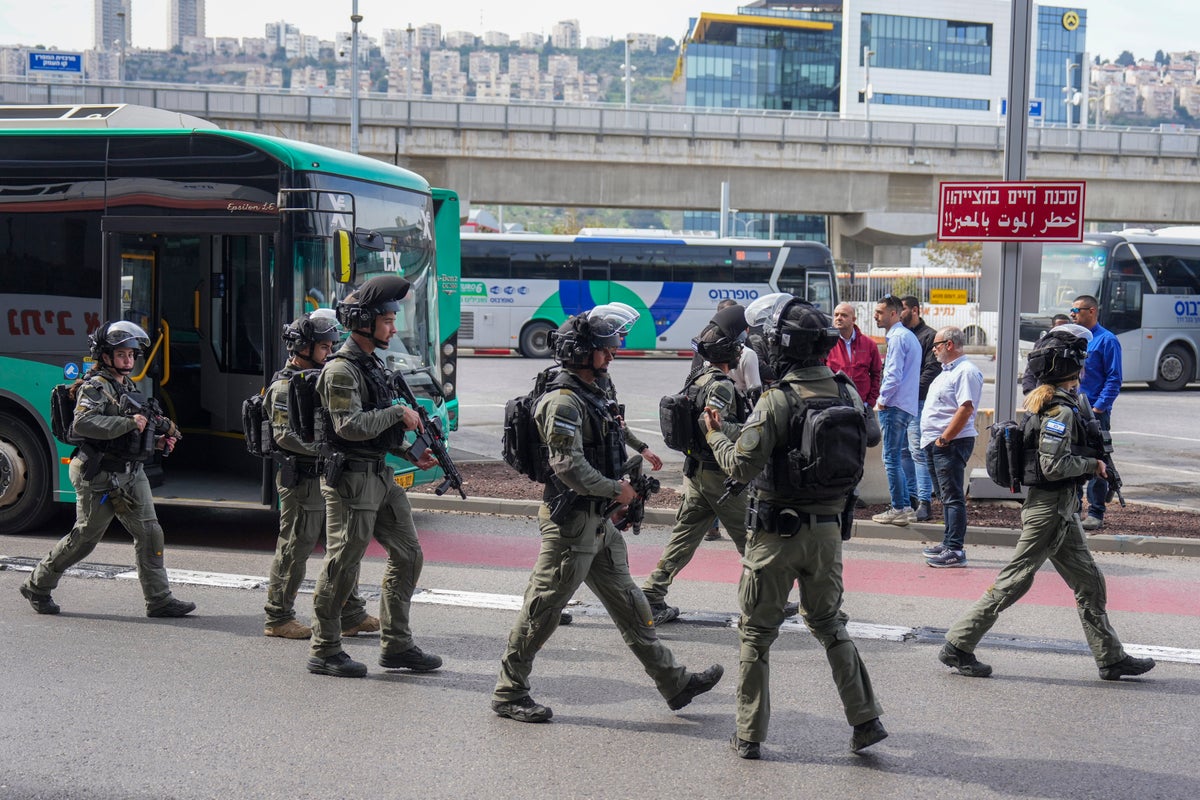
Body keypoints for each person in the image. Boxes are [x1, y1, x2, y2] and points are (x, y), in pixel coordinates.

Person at [491, 304, 723, 723]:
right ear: (581, 352)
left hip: (598, 523)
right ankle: (509, 692)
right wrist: (618, 490)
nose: (613, 352)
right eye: (605, 348)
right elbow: (569, 467)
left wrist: (633, 463)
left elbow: (611, 433)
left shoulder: (593, 391)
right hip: (571, 525)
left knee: (632, 604)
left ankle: (674, 683)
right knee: (542, 611)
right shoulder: (562, 403)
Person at [702, 295, 886, 760]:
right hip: (828, 534)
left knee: (756, 634)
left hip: (775, 536)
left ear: (781, 347)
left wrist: (715, 434)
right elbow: (871, 434)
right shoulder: (845, 389)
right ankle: (866, 720)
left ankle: (749, 734)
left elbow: (741, 466)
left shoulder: (778, 398)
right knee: (830, 625)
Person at [939, 327, 1155, 682]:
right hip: (1049, 510)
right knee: (1015, 580)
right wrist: (1093, 465)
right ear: (1073, 370)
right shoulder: (1059, 411)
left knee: (1090, 582)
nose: (1084, 368)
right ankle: (958, 644)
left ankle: (1111, 658)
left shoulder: (1059, 402)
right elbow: (1053, 466)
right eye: (1081, 363)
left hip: (1062, 509)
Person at [306, 275, 440, 678]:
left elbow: (377, 428)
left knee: (409, 555)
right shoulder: (341, 370)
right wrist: (398, 413)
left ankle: (397, 644)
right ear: (364, 322)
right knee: (343, 564)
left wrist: (409, 451)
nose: (394, 329)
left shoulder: (372, 365)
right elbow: (348, 426)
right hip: (351, 479)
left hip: (380, 474)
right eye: (387, 321)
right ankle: (325, 649)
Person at [19, 321, 195, 619]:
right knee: (85, 538)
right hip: (98, 473)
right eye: (121, 354)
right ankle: (37, 584)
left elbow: (131, 432)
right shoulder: (95, 387)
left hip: (130, 472)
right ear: (105, 356)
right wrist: (128, 422)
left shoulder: (125, 386)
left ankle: (159, 600)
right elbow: (83, 424)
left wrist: (157, 440)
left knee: (150, 533)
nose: (128, 360)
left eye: (131, 354)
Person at [262, 310, 379, 640]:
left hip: (327, 476)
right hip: (301, 479)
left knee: (343, 547)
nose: (330, 353)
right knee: (295, 547)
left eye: (332, 346)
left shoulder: (318, 379)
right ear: (303, 347)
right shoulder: (283, 387)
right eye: (325, 347)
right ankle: (278, 617)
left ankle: (350, 613)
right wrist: (328, 449)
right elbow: (285, 436)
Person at [642, 309, 750, 623]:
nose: (740, 349)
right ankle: (766, 600)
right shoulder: (721, 385)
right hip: (719, 475)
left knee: (684, 538)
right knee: (752, 540)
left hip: (697, 472)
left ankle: (652, 594)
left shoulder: (699, 377)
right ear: (728, 351)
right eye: (737, 345)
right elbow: (711, 424)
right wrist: (749, 431)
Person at [918, 327, 984, 568]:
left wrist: (944, 439)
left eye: (936, 345)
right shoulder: (947, 371)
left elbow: (966, 409)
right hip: (936, 442)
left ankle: (955, 549)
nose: (933, 350)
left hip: (950, 443)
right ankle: (948, 543)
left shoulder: (966, 371)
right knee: (945, 497)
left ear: (949, 344)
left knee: (953, 497)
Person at [1072, 295, 1122, 531]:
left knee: (1097, 461)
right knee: (1071, 459)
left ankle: (1095, 512)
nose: (1072, 314)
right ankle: (1072, 511)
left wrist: (1098, 408)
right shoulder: (1077, 339)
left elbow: (1114, 379)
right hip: (1072, 410)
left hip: (1094, 412)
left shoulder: (1107, 340)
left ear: (1091, 311)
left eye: (1076, 310)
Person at [871, 295, 922, 526]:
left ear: (893, 313)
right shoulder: (907, 336)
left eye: (880, 312)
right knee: (897, 458)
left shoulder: (898, 337)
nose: (875, 316)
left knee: (891, 459)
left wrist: (883, 400)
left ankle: (899, 508)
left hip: (895, 405)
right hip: (905, 405)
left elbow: (893, 374)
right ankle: (905, 507)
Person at [901, 296, 941, 521]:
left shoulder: (929, 336)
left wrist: (907, 393)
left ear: (914, 310)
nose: (899, 313)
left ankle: (925, 501)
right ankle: (911, 498)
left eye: (903, 309)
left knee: (918, 451)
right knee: (903, 452)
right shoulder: (900, 335)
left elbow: (931, 372)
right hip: (901, 403)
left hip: (918, 402)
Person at [1021, 314, 1071, 395]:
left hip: (1065, 395)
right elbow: (1030, 372)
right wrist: (1030, 393)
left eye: (1065, 327)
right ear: (1052, 327)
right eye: (1059, 327)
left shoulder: (1072, 346)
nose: (1062, 330)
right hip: (1042, 394)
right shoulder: (1042, 344)